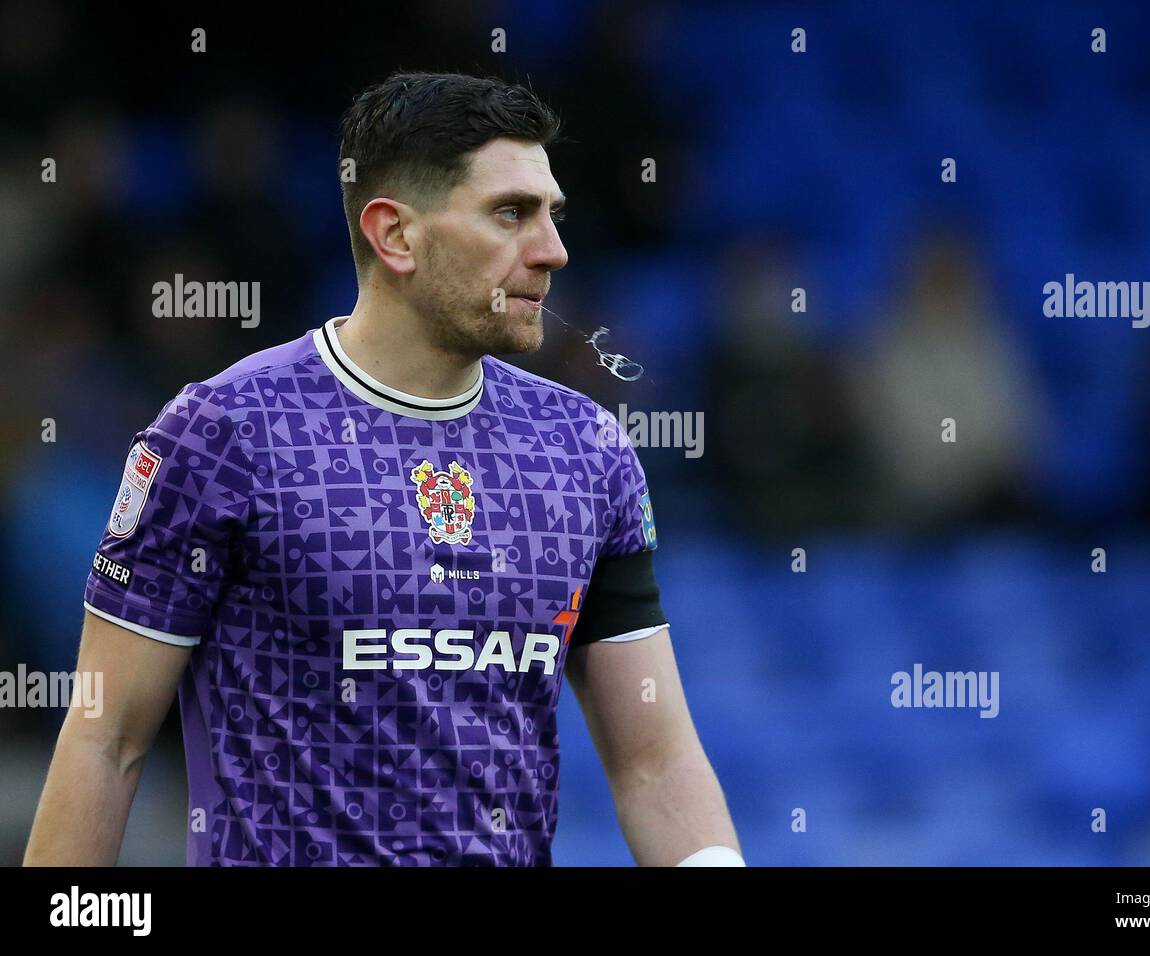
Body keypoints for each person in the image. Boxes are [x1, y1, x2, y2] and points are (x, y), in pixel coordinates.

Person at [25, 71, 742, 867]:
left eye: (552, 215)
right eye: (512, 213)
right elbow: (105, 739)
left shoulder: (586, 449)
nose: (552, 250)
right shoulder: (223, 435)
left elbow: (654, 760)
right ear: (395, 235)